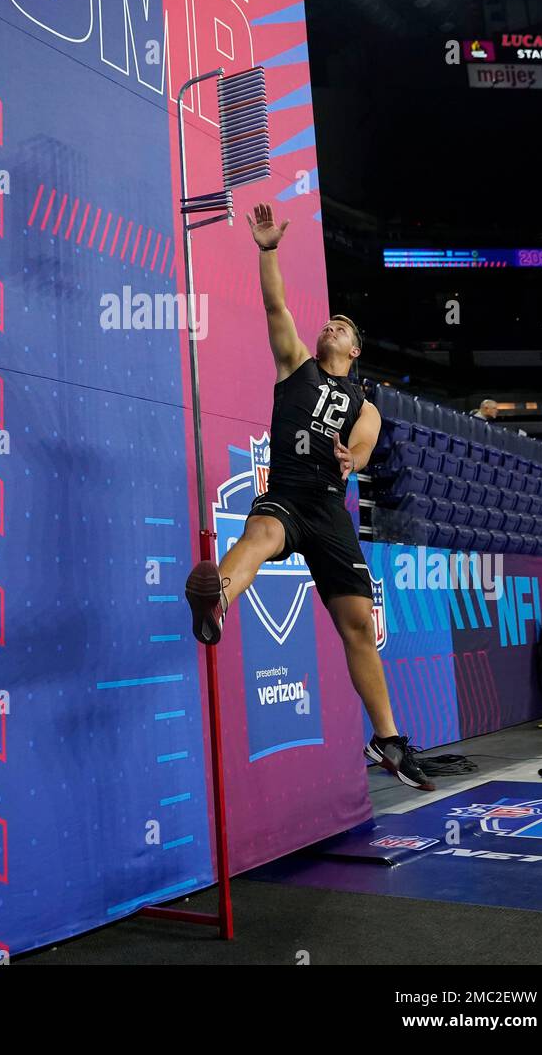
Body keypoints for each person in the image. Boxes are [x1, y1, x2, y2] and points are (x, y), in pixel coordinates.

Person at [183, 202, 434, 791]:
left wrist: (355, 458)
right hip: (290, 494)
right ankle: (215, 598)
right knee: (261, 535)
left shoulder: (364, 405)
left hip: (329, 509)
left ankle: (389, 739)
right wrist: (267, 251)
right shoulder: (295, 363)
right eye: (329, 323)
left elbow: (366, 446)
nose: (331, 327)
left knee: (355, 624)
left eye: (342, 327)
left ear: (355, 350)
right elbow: (276, 305)